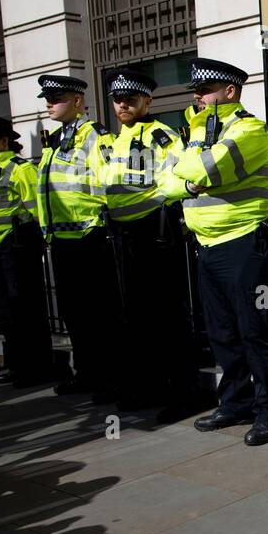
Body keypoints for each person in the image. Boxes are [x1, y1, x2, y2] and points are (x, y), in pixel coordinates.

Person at [158, 58, 268, 446]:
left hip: (245, 241)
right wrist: (188, 178)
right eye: (195, 91)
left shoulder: (249, 129)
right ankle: (236, 404)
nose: (197, 97)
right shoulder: (193, 133)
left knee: (256, 331)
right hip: (208, 245)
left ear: (229, 91)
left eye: (205, 90)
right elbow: (164, 182)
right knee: (222, 334)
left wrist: (189, 177)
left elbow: (204, 173)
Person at [100, 68, 213, 423]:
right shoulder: (114, 141)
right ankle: (149, 387)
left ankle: (185, 392)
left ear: (147, 101)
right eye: (118, 100)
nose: (122, 105)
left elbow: (175, 180)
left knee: (169, 317)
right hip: (122, 235)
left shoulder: (161, 136)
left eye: (130, 100)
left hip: (155, 232)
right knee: (137, 318)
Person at [34, 74, 118, 400]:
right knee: (75, 315)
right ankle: (86, 374)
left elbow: (109, 183)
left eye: (56, 98)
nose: (49, 104)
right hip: (62, 240)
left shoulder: (94, 136)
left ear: (77, 101)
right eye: (48, 99)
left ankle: (109, 379)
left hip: (89, 237)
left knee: (99, 314)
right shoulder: (54, 140)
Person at [0, 117, 53, 387]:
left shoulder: (20, 169)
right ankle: (19, 365)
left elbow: (36, 208)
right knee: (6, 312)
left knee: (25, 309)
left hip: (15, 247)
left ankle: (36, 367)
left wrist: (40, 240)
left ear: (4, 141)